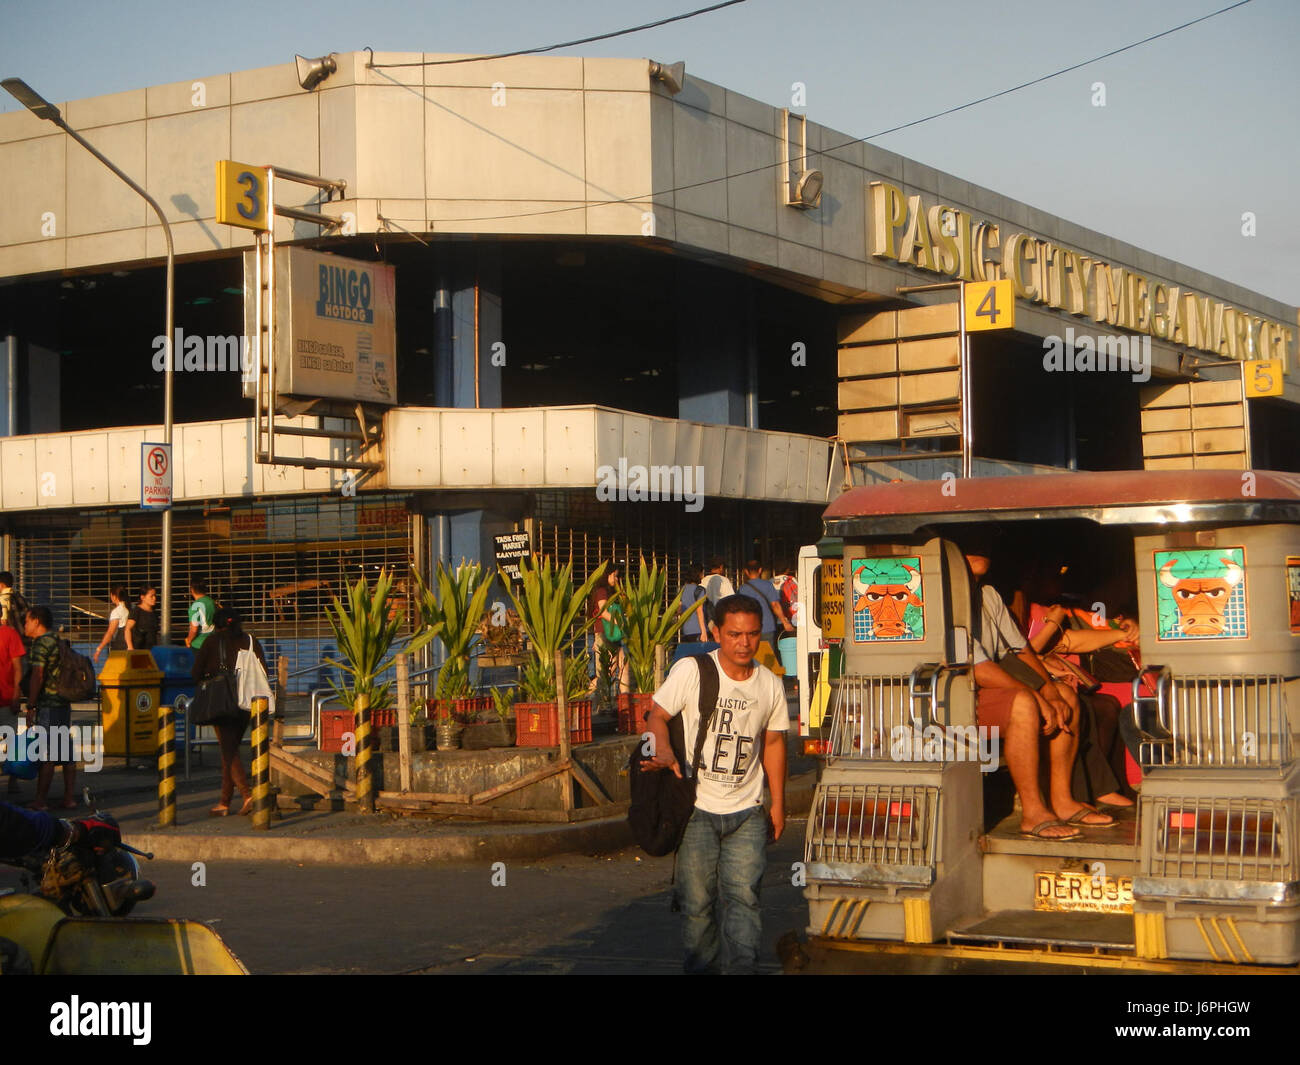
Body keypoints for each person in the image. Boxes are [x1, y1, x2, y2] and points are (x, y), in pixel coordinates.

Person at [644, 595, 788, 974]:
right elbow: (656, 715)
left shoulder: (770, 685)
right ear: (717, 633)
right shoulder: (692, 670)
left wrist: (777, 804)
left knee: (745, 899)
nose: (744, 643)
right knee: (697, 904)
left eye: (752, 634)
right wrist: (662, 748)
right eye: (735, 634)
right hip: (697, 810)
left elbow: (773, 744)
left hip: (748, 811)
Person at [966, 551, 1113, 840]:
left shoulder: (988, 594)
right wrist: (1037, 697)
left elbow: (1020, 650)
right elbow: (979, 669)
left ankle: (1062, 801)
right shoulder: (942, 598)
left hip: (988, 688)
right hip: (953, 695)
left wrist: (1048, 690)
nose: (980, 550)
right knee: (1023, 703)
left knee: (1065, 696)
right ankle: (1032, 813)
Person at [192, 607, 266, 816]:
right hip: (249, 701)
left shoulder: (212, 642)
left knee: (228, 751)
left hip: (223, 702)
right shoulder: (251, 640)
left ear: (217, 624)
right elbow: (263, 670)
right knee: (229, 749)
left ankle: (247, 794)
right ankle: (224, 802)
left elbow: (195, 674)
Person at [25, 606, 76, 811]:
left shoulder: (41, 644)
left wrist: (31, 704)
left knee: (47, 754)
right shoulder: (58, 640)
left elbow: (38, 675)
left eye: (27, 620)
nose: (25, 625)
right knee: (66, 753)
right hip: (64, 702)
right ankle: (69, 798)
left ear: (37, 621)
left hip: (49, 704)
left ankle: (40, 800)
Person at [738, 559, 793, 673]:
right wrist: (785, 622)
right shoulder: (767, 585)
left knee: (752, 657)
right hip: (767, 627)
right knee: (768, 660)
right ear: (760, 570)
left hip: (749, 629)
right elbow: (775, 605)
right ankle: (770, 682)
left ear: (746, 572)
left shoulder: (742, 589)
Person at [588, 563, 629, 700]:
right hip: (605, 633)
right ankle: (592, 697)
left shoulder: (610, 592)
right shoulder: (601, 591)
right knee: (605, 669)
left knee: (612, 667)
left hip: (611, 634)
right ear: (608, 575)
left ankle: (601, 697)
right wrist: (619, 621)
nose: (617, 579)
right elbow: (603, 612)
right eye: (615, 576)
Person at [0, 616, 24, 795]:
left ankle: (13, 779)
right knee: (10, 739)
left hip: (7, 698)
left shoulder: (9, 634)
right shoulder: (10, 634)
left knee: (10, 740)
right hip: (8, 697)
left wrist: (17, 693)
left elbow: (18, 667)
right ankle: (12, 780)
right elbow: (18, 667)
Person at [92, 586, 130, 664]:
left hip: (121, 647)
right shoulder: (131, 609)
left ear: (114, 596)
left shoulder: (117, 612)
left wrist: (99, 649)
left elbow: (110, 633)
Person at [678, 563, 709, 643]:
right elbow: (699, 610)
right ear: (698, 574)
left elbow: (679, 610)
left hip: (686, 630)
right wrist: (704, 631)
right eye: (702, 573)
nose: (703, 576)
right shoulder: (700, 590)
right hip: (698, 629)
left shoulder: (682, 590)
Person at [124, 585, 159, 651]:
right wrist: (130, 646)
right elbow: (127, 629)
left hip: (152, 650)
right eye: (151, 596)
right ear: (143, 597)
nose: (154, 598)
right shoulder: (137, 611)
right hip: (139, 649)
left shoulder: (154, 613)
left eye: (155, 596)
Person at [185, 578, 216, 650]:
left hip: (198, 645)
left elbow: (194, 629)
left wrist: (189, 640)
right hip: (212, 642)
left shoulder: (195, 606)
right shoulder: (212, 602)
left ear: (191, 590)